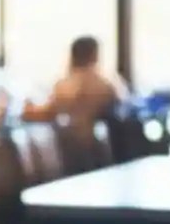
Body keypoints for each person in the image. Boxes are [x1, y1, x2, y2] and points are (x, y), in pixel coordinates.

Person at [23, 36, 127, 170]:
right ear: (95, 56)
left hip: (71, 149)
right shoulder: (107, 83)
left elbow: (45, 113)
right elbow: (123, 105)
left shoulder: (65, 86)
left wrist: (26, 108)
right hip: (104, 149)